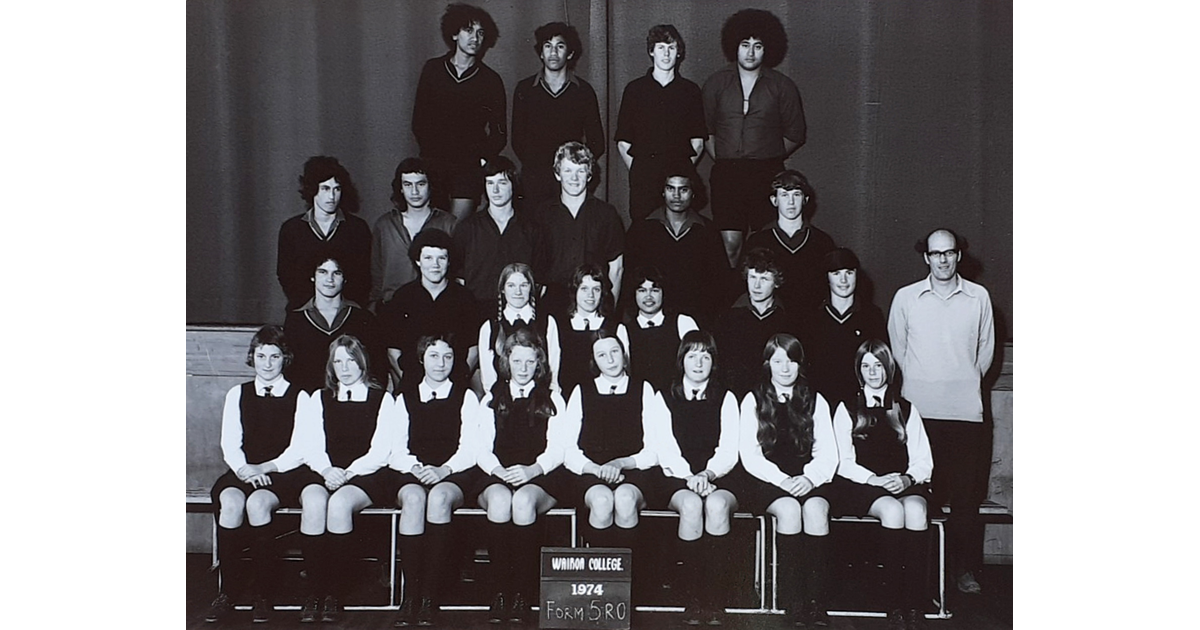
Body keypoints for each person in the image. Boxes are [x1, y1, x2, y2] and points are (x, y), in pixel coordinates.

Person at [887, 228, 994, 595]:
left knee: (965, 498)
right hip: (919, 414)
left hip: (965, 414)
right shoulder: (906, 298)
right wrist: (923, 385)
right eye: (936, 253)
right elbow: (898, 351)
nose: (943, 260)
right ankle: (924, 573)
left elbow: (985, 353)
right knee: (921, 495)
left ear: (959, 255)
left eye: (949, 253)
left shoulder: (979, 297)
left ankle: (963, 571)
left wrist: (961, 383)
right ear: (926, 257)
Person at [205, 326, 316, 624]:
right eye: (261, 355)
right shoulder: (237, 394)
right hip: (244, 469)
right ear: (252, 357)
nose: (267, 363)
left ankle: (263, 595)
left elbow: (300, 450)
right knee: (230, 502)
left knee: (257, 504)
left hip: (282, 472)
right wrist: (245, 470)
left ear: (285, 358)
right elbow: (230, 443)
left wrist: (264, 468)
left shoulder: (301, 396)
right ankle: (228, 592)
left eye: (274, 356)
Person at [294, 335, 400, 623]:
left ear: (362, 363)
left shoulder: (383, 399)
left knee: (339, 505)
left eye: (351, 360)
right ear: (331, 366)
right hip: (324, 471)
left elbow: (381, 451)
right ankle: (314, 592)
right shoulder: (319, 398)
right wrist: (327, 471)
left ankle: (333, 593)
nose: (345, 368)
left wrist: (348, 473)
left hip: (366, 473)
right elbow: (310, 446)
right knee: (314, 503)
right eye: (338, 361)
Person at [831, 339, 933, 630]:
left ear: (889, 367)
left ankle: (915, 603)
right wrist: (873, 479)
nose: (873, 372)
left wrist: (906, 478)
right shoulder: (847, 408)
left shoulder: (906, 409)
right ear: (858, 370)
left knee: (916, 511)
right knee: (892, 511)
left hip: (901, 482)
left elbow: (923, 460)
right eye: (866, 366)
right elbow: (842, 461)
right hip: (862, 484)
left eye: (878, 365)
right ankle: (893, 604)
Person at [474, 328, 572, 624]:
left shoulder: (553, 398)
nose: (523, 368)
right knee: (501, 502)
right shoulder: (492, 398)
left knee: (523, 502)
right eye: (517, 361)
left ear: (539, 364)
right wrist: (499, 472)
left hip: (541, 475)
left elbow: (559, 448)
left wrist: (533, 470)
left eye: (530, 362)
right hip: (498, 473)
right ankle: (500, 591)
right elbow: (481, 447)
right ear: (507, 362)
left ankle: (522, 593)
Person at [738, 334, 837, 627]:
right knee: (790, 510)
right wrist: (783, 481)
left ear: (800, 364)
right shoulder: (753, 399)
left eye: (791, 361)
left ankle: (815, 602)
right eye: (778, 361)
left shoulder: (815, 399)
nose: (785, 368)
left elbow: (828, 453)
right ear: (767, 364)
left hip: (808, 478)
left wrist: (809, 479)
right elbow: (750, 455)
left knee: (816, 510)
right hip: (768, 480)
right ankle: (792, 600)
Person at [651, 331, 741, 626]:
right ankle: (692, 599)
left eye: (706, 356)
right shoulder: (664, 397)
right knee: (691, 506)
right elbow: (665, 448)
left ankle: (715, 600)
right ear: (682, 360)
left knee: (716, 506)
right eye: (692, 356)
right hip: (678, 477)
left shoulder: (726, 397)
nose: (699, 363)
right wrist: (691, 477)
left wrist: (707, 474)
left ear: (714, 362)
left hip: (718, 475)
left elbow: (729, 449)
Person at [703, 9, 807, 268]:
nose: (750, 52)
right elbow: (705, 130)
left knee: (765, 245)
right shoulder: (716, 83)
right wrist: (725, 157)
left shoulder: (782, 86)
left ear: (767, 48)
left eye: (757, 46)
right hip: (727, 174)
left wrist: (766, 153)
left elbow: (795, 133)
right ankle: (729, 292)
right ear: (733, 46)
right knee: (729, 245)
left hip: (767, 174)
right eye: (744, 44)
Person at [390, 334, 482, 627]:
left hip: (453, 472)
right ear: (421, 359)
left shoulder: (466, 396)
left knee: (439, 498)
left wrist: (444, 470)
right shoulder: (404, 397)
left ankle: (430, 596)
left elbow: (471, 448)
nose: (441, 363)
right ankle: (410, 596)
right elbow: (395, 449)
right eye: (433, 356)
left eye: (447, 357)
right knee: (414, 498)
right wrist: (416, 468)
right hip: (413, 471)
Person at [562, 331, 661, 560]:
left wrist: (620, 464)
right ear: (594, 361)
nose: (610, 359)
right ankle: (600, 574)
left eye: (614, 351)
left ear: (624, 355)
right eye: (601, 355)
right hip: (592, 471)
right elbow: (568, 450)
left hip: (633, 470)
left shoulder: (643, 388)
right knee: (602, 501)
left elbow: (654, 450)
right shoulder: (581, 390)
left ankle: (630, 577)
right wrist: (597, 469)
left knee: (625, 500)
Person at [412, 3, 506, 220]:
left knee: (457, 230)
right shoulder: (433, 69)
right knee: (434, 230)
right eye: (468, 30)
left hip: (468, 169)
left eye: (480, 32)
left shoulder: (490, 80)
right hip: (434, 164)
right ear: (454, 34)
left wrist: (481, 160)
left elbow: (499, 132)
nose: (475, 38)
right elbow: (419, 120)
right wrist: (430, 156)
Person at [614, 24, 707, 222]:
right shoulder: (635, 90)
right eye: (661, 47)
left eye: (671, 48)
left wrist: (680, 173)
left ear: (679, 53)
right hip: (644, 181)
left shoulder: (690, 91)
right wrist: (641, 171)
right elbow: (623, 142)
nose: (666, 54)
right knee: (644, 233)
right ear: (651, 51)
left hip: (678, 183)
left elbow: (698, 141)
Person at [622, 162, 731, 328]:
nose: (677, 195)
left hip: (697, 319)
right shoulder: (641, 229)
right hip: (653, 318)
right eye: (670, 188)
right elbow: (630, 278)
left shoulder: (707, 231)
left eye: (683, 189)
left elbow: (719, 283)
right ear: (663, 192)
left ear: (693, 193)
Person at [511, 22, 605, 209]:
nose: (553, 52)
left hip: (570, 178)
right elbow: (517, 139)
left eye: (560, 46)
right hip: (535, 179)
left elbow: (597, 141)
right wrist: (537, 167)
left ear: (569, 53)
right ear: (541, 52)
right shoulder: (525, 89)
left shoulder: (583, 91)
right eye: (548, 46)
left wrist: (575, 168)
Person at [378, 229, 478, 390]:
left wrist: (459, 379)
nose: (435, 265)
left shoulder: (464, 298)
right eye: (428, 258)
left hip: (454, 386)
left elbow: (474, 347)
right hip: (412, 386)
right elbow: (392, 349)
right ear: (418, 261)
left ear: (449, 261)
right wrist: (411, 383)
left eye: (441, 258)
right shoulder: (402, 297)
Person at [532, 141, 624, 313]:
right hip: (554, 303)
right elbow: (536, 267)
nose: (574, 178)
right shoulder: (542, 214)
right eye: (568, 171)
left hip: (594, 301)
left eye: (580, 171)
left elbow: (616, 268)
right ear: (557, 174)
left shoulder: (606, 214)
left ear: (589, 176)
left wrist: (609, 310)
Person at [453, 156, 541, 325]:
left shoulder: (531, 229)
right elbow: (458, 276)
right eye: (490, 183)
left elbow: (538, 278)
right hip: (476, 313)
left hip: (518, 315)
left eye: (502, 182)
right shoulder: (467, 228)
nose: (495, 190)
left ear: (513, 185)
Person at [277, 156, 372, 311]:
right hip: (304, 312)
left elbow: (363, 277)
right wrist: (313, 308)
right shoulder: (292, 229)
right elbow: (286, 276)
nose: (332, 197)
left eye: (337, 189)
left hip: (347, 313)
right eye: (325, 189)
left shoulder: (357, 229)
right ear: (312, 189)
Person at [801, 248, 887, 409]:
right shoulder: (812, 318)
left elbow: (882, 363)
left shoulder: (872, 315)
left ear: (857, 275)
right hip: (820, 404)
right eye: (836, 273)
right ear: (827, 277)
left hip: (860, 405)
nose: (843, 280)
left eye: (849, 273)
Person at [283, 255, 384, 393]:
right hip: (308, 399)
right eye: (322, 272)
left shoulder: (362, 318)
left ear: (345, 278)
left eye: (337, 273)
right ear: (312, 277)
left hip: (352, 399)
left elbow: (378, 366)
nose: (330, 279)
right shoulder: (296, 320)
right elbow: (290, 370)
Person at [744, 170, 836, 316]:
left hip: (811, 318)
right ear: (774, 200)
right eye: (784, 195)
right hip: (772, 318)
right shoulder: (758, 240)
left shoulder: (822, 241)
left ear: (805, 200)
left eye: (796, 195)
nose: (791, 202)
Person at [369, 158, 457, 308]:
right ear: (400, 188)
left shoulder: (449, 224)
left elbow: (457, 272)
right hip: (392, 306)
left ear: (431, 186)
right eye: (408, 184)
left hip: (437, 306)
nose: (414, 191)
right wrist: (373, 306)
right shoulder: (384, 225)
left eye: (420, 184)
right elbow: (377, 273)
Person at [714, 247, 800, 397]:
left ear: (776, 282)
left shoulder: (788, 320)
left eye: (764, 279)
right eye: (752, 277)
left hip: (775, 396)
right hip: (736, 394)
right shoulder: (727, 317)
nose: (756, 286)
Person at [477, 263, 561, 393]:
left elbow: (553, 367)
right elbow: (488, 377)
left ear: (531, 288)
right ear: (502, 289)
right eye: (511, 286)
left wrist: (552, 395)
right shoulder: (490, 327)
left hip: (540, 396)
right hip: (502, 398)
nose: (518, 292)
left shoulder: (546, 322)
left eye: (524, 285)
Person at [621, 266, 699, 393]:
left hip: (678, 396)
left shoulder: (682, 322)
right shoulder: (624, 330)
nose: (648, 296)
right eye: (642, 290)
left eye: (655, 290)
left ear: (664, 293)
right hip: (642, 396)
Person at [557, 263, 629, 395]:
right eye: (584, 289)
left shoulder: (615, 328)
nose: (590, 295)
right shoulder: (559, 326)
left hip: (602, 397)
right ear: (575, 291)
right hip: (567, 394)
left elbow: (625, 370)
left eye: (596, 289)